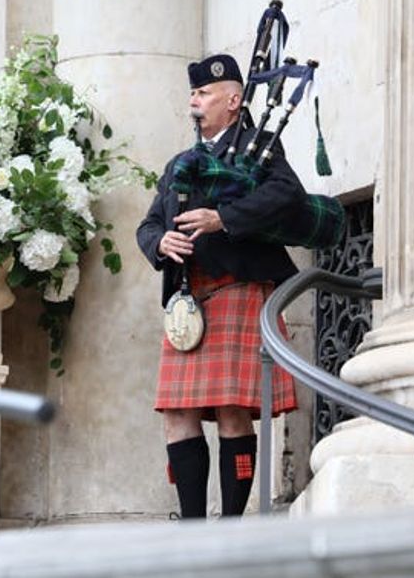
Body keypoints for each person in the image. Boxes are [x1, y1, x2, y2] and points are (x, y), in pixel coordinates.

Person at [136, 54, 304, 519]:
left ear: (234, 100)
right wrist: (159, 242)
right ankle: (193, 529)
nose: (195, 100)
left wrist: (223, 218)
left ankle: (229, 528)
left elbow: (286, 194)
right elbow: (148, 224)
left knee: (231, 410)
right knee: (177, 414)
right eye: (192, 94)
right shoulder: (180, 164)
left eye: (204, 93)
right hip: (188, 301)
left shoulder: (259, 147)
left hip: (237, 291)